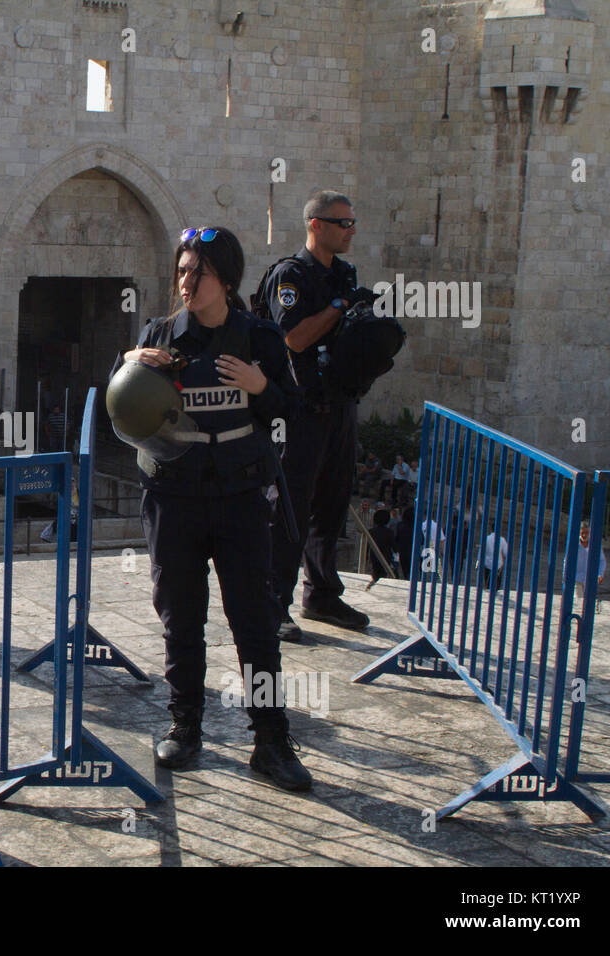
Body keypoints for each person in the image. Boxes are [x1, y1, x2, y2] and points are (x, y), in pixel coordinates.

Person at [111, 226, 310, 791]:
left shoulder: (261, 339)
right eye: (180, 271)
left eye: (196, 272)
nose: (185, 282)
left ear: (225, 278)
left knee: (254, 623)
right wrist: (127, 360)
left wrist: (260, 385)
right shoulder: (159, 335)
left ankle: (270, 741)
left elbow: (293, 409)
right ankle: (186, 726)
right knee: (181, 619)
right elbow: (123, 404)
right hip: (174, 497)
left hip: (240, 498)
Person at [264, 191, 370, 640]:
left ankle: (322, 593)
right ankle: (271, 603)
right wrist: (340, 307)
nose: (351, 230)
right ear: (316, 225)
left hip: (340, 405)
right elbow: (295, 339)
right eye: (342, 223)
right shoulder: (290, 277)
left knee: (331, 506)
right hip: (301, 410)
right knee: (290, 509)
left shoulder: (345, 275)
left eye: (352, 222)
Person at [566, 520, 607, 606]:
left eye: (587, 532)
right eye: (582, 533)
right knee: (579, 601)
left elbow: (602, 560)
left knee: (589, 603)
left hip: (590, 578)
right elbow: (567, 560)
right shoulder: (574, 544)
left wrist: (600, 574)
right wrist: (565, 576)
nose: (584, 535)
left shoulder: (595, 544)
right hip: (576, 578)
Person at [365, 508, 397, 590]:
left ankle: (372, 585)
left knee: (375, 572)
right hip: (386, 556)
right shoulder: (389, 532)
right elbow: (393, 545)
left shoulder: (371, 531)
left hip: (374, 556)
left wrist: (366, 557)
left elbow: (367, 546)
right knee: (383, 574)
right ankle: (374, 586)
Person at [479, 528, 508, 592]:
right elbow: (506, 553)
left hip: (487, 564)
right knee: (497, 583)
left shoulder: (486, 539)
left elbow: (481, 552)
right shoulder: (502, 540)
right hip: (498, 564)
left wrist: (478, 562)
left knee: (488, 582)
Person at [392, 506, 414, 579]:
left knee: (405, 570)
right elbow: (422, 540)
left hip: (403, 551)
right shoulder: (416, 526)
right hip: (413, 551)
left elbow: (396, 538)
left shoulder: (400, 525)